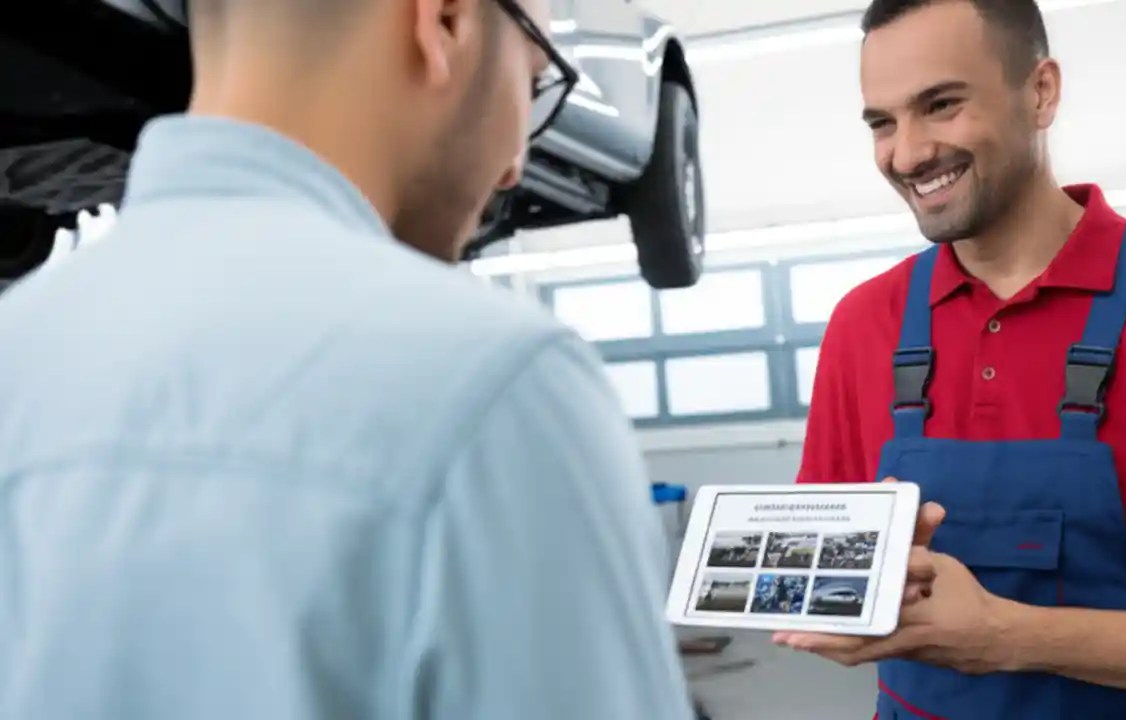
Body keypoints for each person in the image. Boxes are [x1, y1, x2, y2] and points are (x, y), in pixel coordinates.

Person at [0, 1, 692, 718]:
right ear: (444, 22)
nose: (517, 165)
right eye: (535, 81)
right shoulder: (496, 382)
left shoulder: (17, 353)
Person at [773, 0, 1126, 717]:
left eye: (941, 105)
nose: (908, 153)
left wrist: (1011, 636)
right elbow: (819, 584)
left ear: (1040, 92)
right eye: (882, 123)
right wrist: (839, 595)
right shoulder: (864, 324)